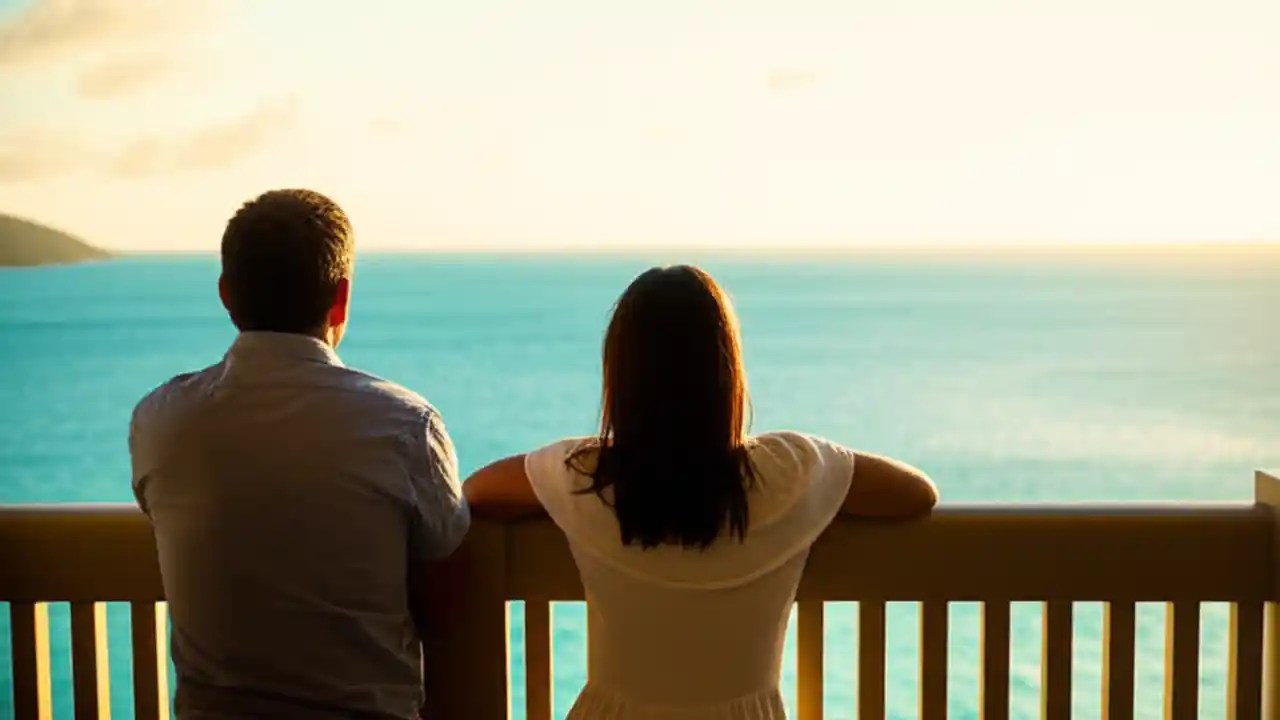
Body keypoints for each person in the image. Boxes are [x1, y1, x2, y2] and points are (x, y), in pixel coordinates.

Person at [464, 265, 936, 719]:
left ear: (622, 379)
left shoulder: (587, 478)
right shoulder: (788, 471)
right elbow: (916, 493)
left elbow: (477, 491)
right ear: (725, 372)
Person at [129, 189, 469, 719]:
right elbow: (446, 577)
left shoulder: (160, 420)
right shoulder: (405, 425)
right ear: (342, 297)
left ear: (225, 293)